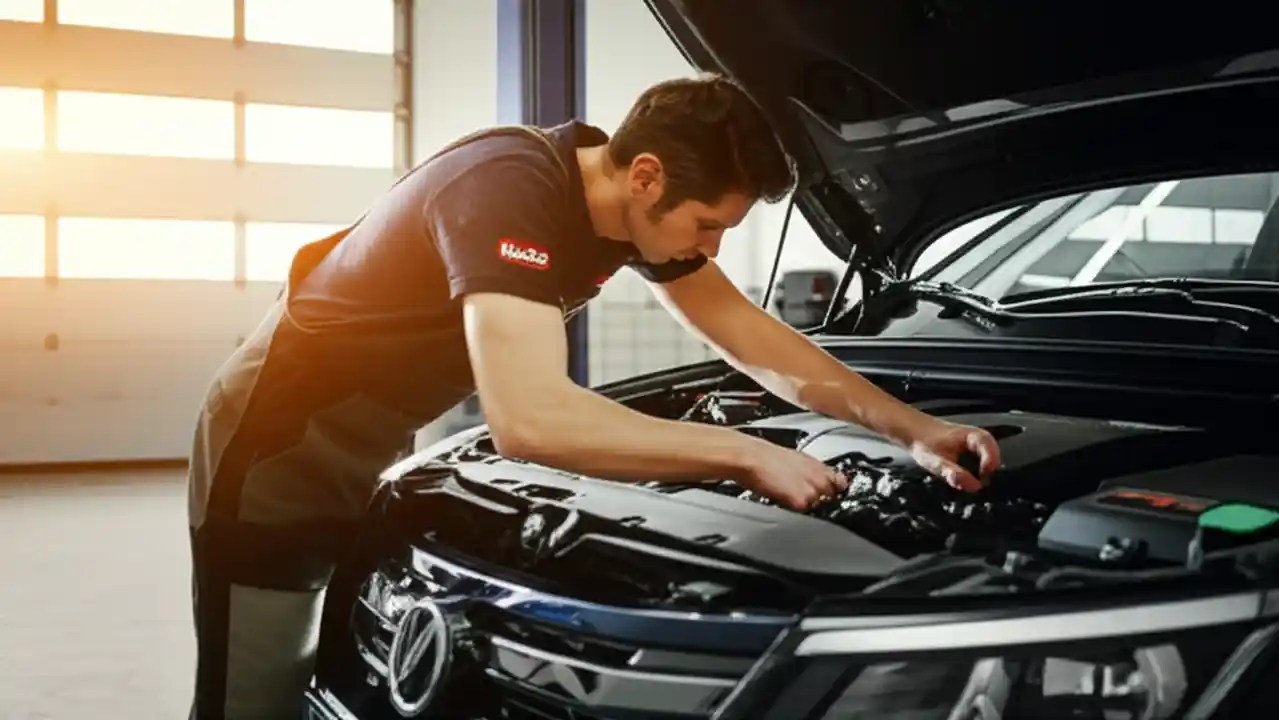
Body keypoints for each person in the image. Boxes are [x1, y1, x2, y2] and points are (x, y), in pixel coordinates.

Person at [184, 73, 1001, 719]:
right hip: (279, 441)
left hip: (368, 434)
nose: (712, 249)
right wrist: (746, 455)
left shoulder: (621, 210)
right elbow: (529, 419)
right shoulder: (507, 188)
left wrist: (914, 429)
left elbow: (758, 342)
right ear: (646, 176)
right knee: (256, 694)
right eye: (707, 225)